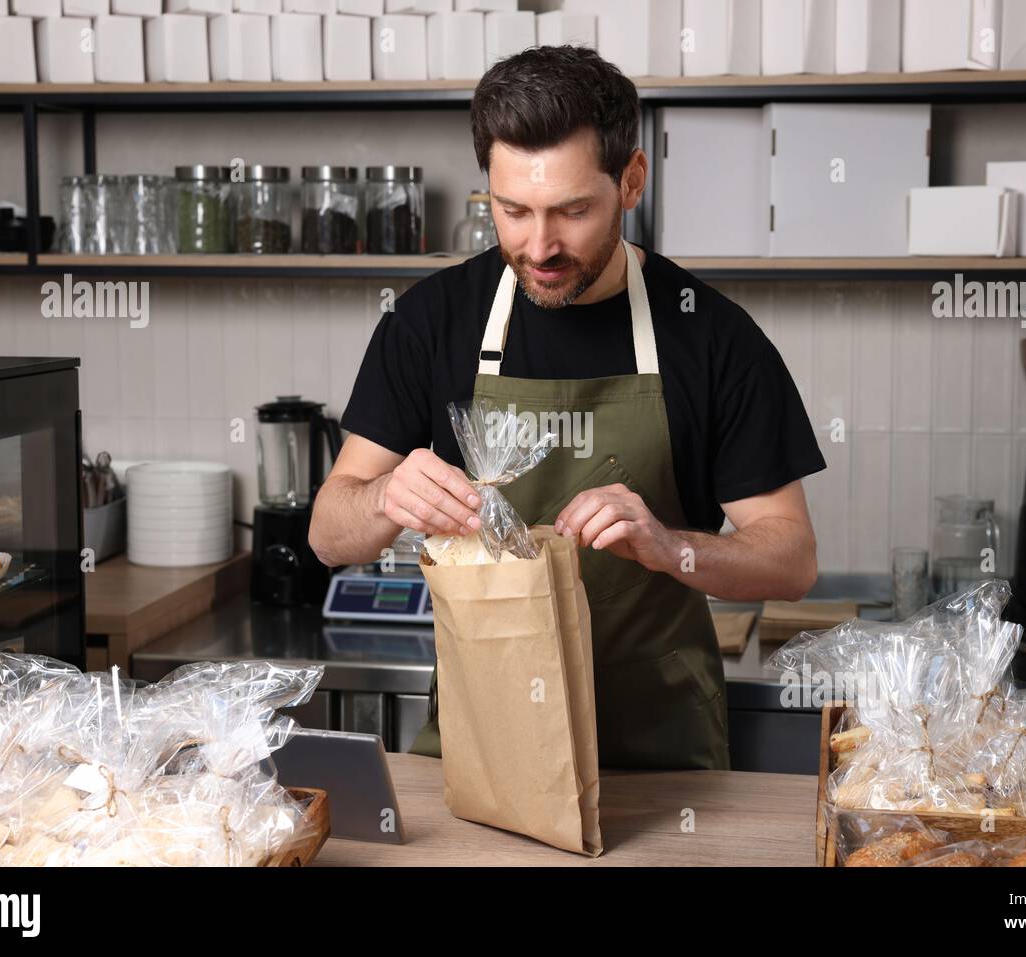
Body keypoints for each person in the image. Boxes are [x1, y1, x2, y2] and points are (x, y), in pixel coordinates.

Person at [310, 45, 825, 770]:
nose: (539, 245)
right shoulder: (429, 322)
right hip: (484, 760)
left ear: (633, 181)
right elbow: (332, 535)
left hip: (661, 763)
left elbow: (792, 558)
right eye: (511, 210)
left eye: (573, 211)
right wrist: (388, 497)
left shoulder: (709, 335)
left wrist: (669, 543)